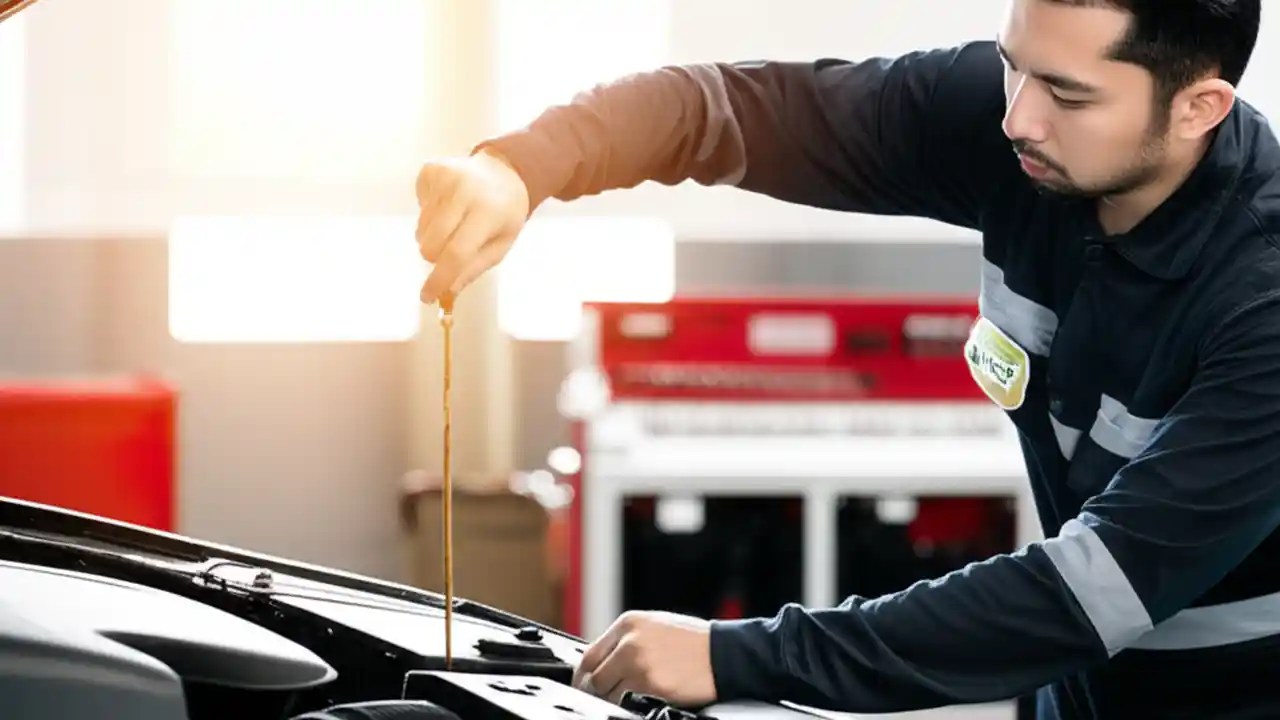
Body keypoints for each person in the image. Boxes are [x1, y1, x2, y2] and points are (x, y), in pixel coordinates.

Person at [423, 1, 1280, 718]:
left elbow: (1085, 594)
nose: (1018, 115)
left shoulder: (1263, 299)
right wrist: (524, 167)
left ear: (1198, 107)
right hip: (1076, 689)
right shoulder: (1022, 132)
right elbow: (729, 111)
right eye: (1013, 64)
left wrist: (739, 656)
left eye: (1067, 92)